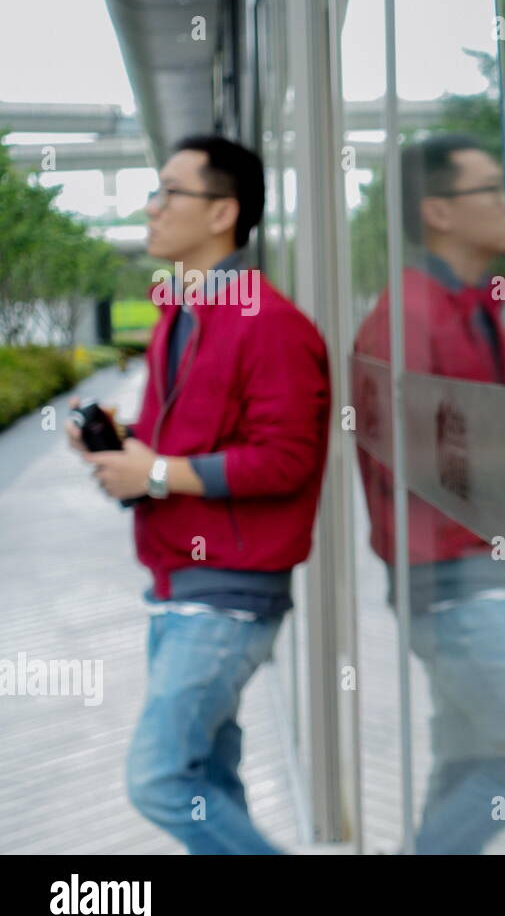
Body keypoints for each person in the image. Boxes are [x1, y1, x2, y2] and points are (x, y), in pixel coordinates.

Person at [66, 135, 331, 854]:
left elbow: (286, 461)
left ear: (223, 213)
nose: (150, 209)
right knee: (207, 781)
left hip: (228, 595)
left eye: (168, 193)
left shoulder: (270, 325)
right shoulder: (180, 317)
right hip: (175, 580)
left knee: (157, 780)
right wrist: (120, 450)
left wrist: (154, 473)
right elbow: (165, 440)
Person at [352, 134, 505, 854]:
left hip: (472, 573)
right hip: (457, 582)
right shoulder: (411, 321)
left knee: (474, 763)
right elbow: (411, 463)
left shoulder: (467, 306)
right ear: (437, 210)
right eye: (489, 189)